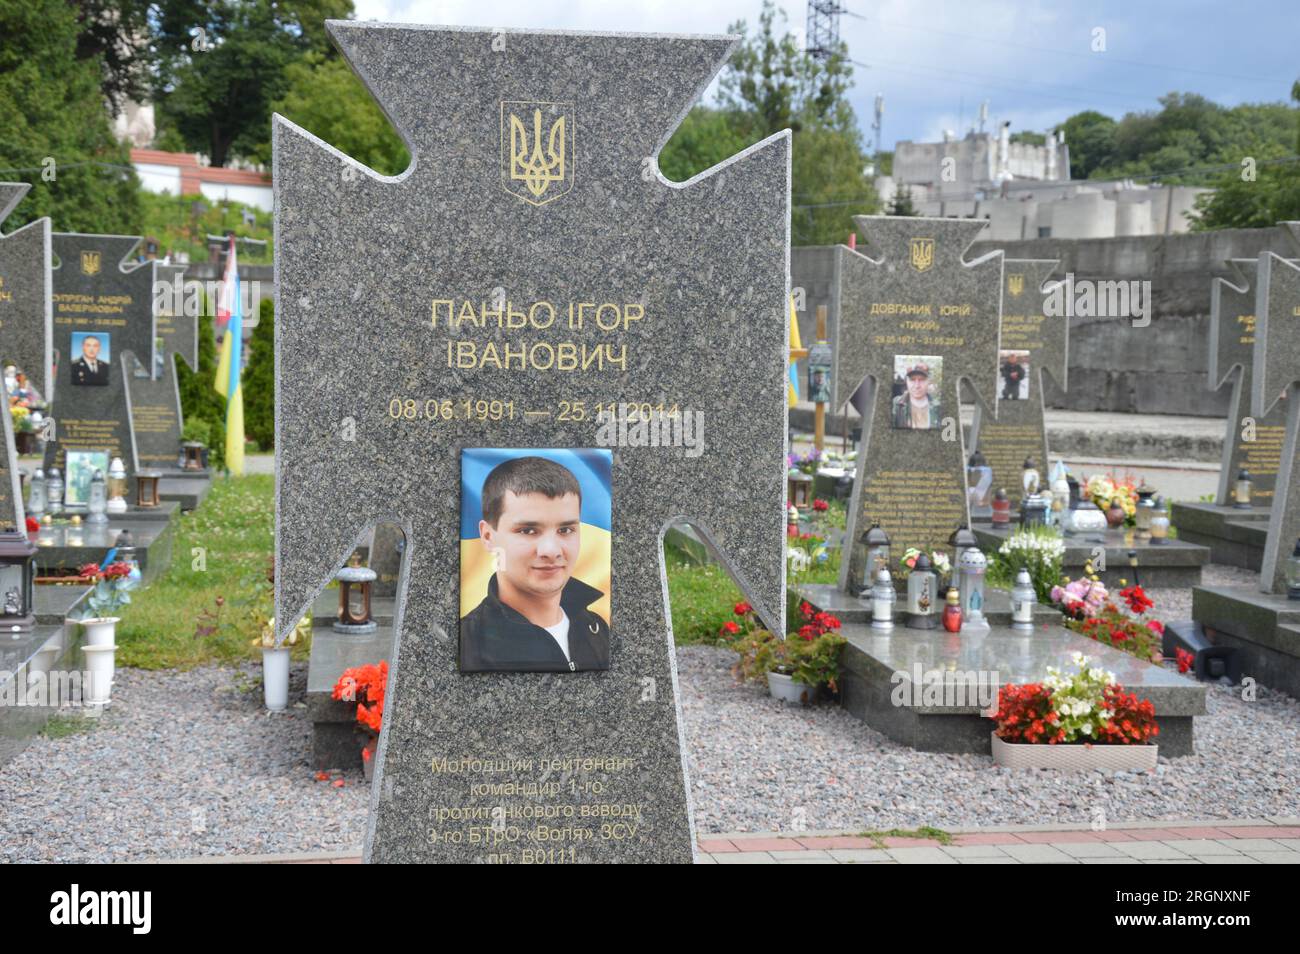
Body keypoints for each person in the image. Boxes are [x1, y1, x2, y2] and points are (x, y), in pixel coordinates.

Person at [460, 455, 610, 672]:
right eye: (528, 531)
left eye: (565, 530)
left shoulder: (597, 628)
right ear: (488, 536)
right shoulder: (468, 643)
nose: (551, 551)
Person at [891, 362, 941, 429]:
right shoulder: (896, 404)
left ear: (928, 382)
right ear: (907, 382)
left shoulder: (938, 407)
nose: (917, 386)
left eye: (922, 379)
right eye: (912, 380)